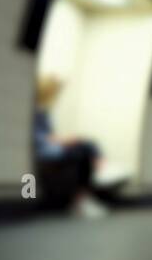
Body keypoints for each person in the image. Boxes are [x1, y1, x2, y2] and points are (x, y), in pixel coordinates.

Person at [33, 76, 116, 218]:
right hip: (43, 150)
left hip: (51, 147)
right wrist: (63, 141)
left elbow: (49, 136)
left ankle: (99, 168)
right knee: (82, 150)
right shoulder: (35, 112)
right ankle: (81, 199)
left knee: (88, 144)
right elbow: (40, 138)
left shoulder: (43, 112)